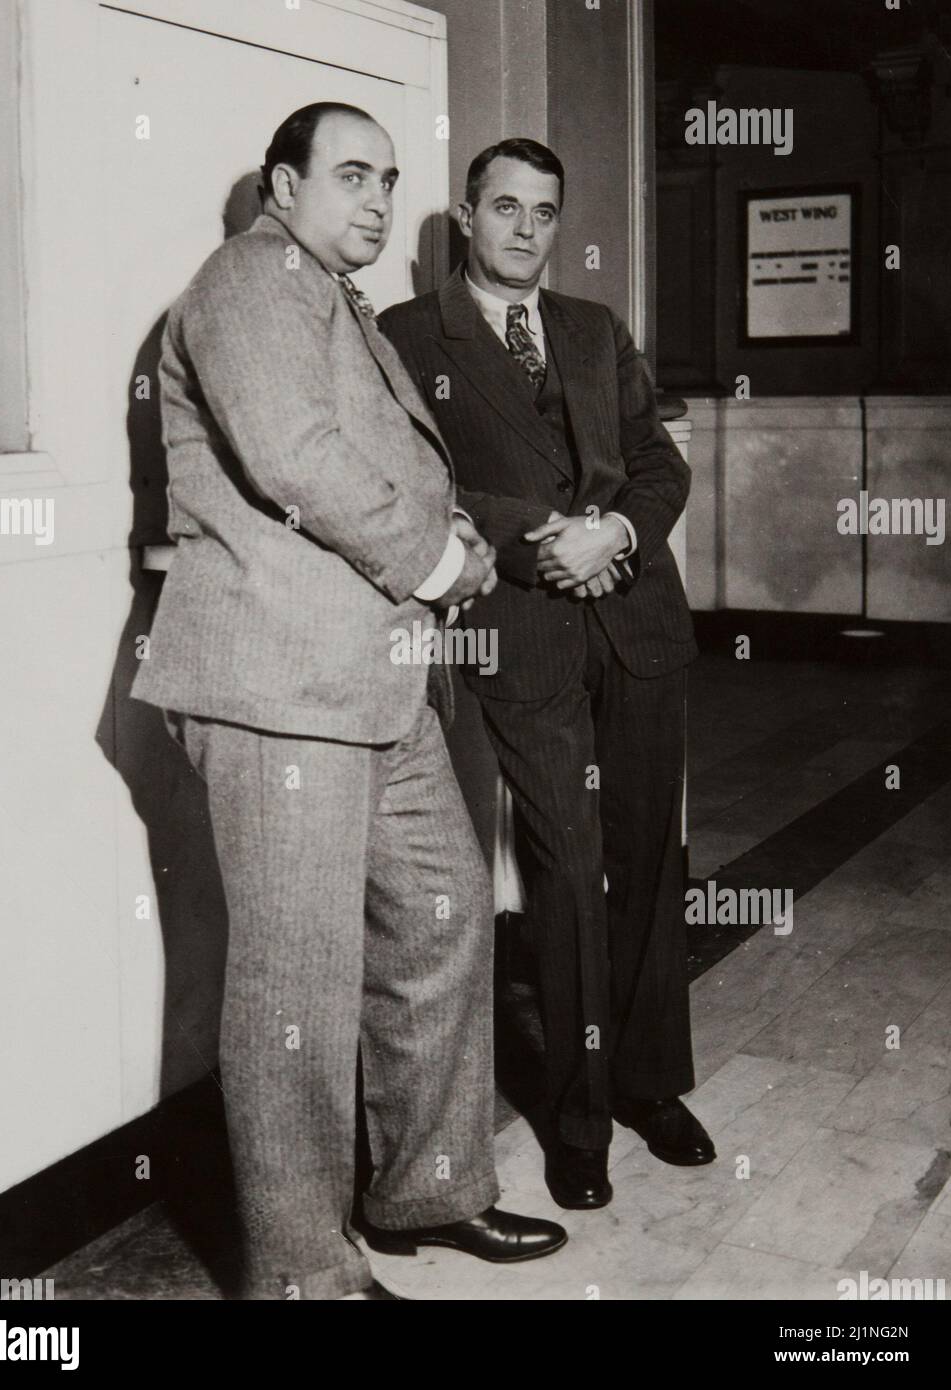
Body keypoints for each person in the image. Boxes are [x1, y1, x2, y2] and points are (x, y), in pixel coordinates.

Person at [131, 106, 566, 1300]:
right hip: (278, 690)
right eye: (352, 177)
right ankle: (299, 1275)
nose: (378, 202)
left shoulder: (330, 296)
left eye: (389, 180)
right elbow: (294, 455)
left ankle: (425, 1189)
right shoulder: (249, 279)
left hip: (368, 677)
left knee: (440, 912)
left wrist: (458, 532)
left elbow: (384, 466)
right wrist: (436, 564)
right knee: (294, 992)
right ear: (282, 185)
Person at [379, 137, 715, 1212]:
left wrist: (613, 529)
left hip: (635, 625)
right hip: (518, 635)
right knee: (566, 872)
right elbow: (420, 484)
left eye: (543, 212)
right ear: (465, 217)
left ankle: (648, 1081)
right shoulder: (404, 338)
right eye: (505, 208)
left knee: (645, 859)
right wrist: (545, 538)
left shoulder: (591, 329)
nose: (526, 230)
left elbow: (661, 461)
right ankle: (578, 1124)